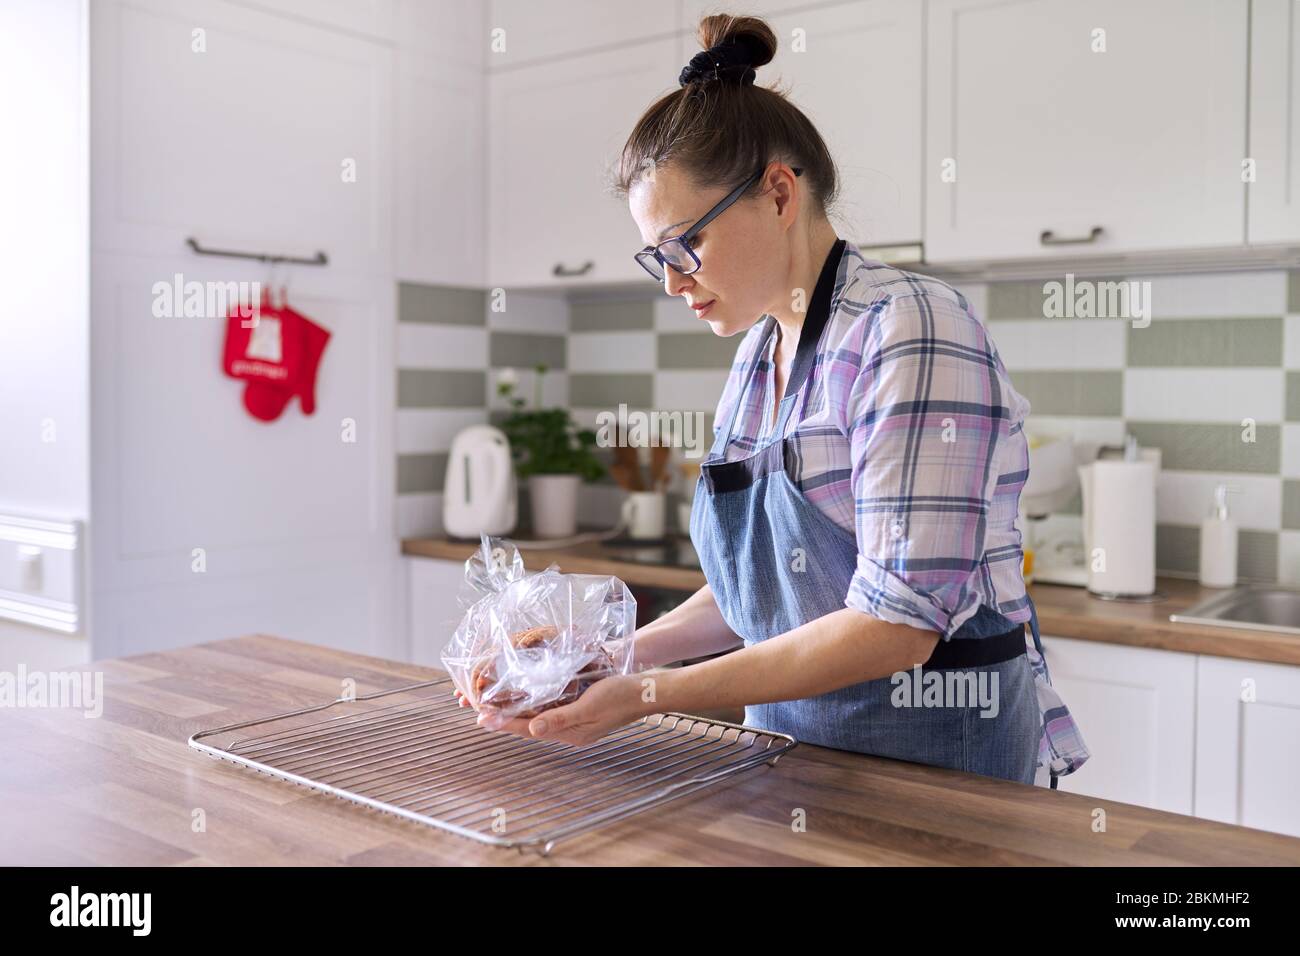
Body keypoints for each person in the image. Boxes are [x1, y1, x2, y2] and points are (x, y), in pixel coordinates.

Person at [471, 13, 1089, 787]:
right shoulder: (759, 356)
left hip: (937, 767)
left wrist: (650, 695)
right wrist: (612, 659)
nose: (672, 281)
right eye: (654, 257)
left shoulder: (911, 330)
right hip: (791, 762)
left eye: (682, 245)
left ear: (777, 193)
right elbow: (757, 599)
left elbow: (897, 627)